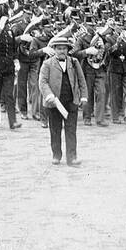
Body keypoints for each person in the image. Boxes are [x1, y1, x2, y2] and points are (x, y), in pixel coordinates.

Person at [39, 33, 86, 166]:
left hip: (71, 101)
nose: (61, 51)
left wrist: (83, 96)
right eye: (59, 48)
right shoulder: (47, 64)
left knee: (71, 130)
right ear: (54, 50)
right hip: (54, 103)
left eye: (64, 48)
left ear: (68, 50)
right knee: (55, 129)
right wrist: (49, 95)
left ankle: (72, 157)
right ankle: (56, 155)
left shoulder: (74, 62)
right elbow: (42, 82)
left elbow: (81, 80)